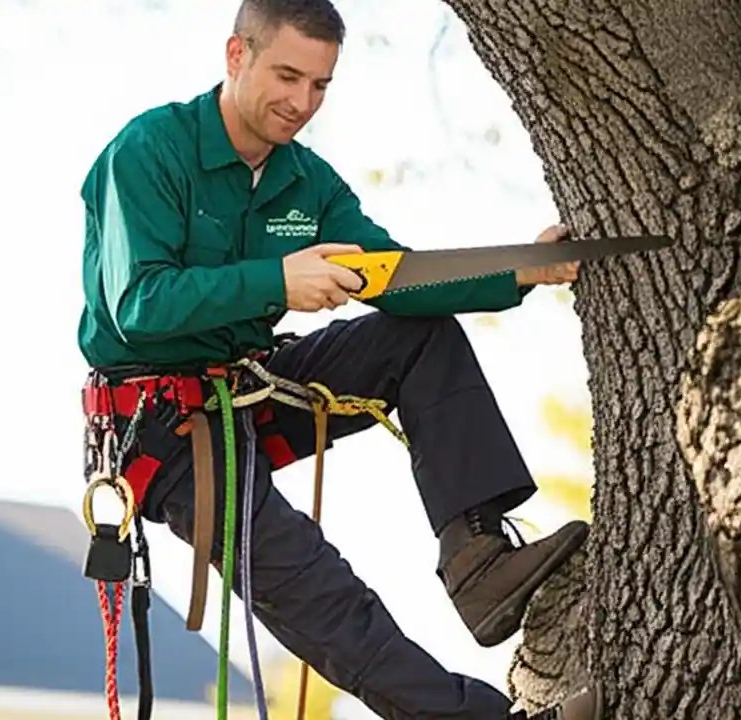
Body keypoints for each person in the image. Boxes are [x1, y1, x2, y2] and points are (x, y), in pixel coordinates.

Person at [77, 1, 602, 718]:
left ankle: (477, 561)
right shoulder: (149, 151)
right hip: (166, 429)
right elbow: (139, 304)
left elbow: (393, 274)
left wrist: (521, 269)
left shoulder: (306, 183)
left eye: (320, 85)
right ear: (237, 56)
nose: (301, 102)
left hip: (254, 391)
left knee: (418, 338)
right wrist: (278, 281)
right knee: (323, 593)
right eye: (287, 76)